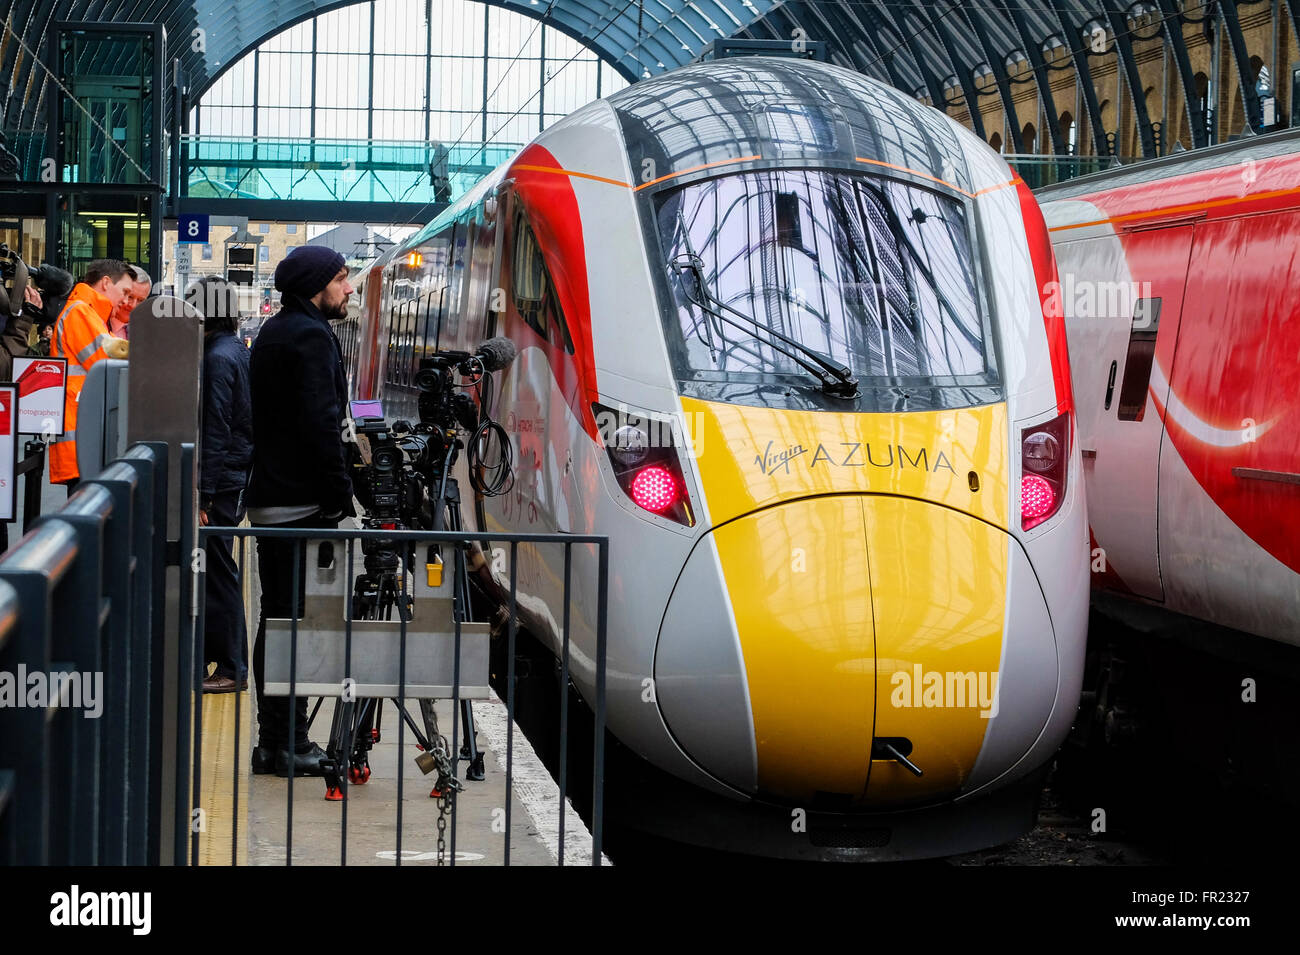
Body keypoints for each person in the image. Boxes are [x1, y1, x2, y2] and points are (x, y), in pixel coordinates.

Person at [246, 246, 355, 776]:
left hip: (272, 499)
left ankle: (274, 741)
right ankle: (288, 742)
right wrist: (342, 496)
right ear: (317, 284)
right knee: (293, 624)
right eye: (341, 279)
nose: (349, 289)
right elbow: (322, 426)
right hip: (299, 506)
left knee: (278, 618)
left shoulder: (275, 330)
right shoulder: (311, 337)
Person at [190, 277, 252, 694]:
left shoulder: (216, 357)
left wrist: (204, 493)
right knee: (215, 569)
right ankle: (220, 660)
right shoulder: (234, 349)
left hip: (223, 482)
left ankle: (231, 666)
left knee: (217, 572)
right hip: (234, 475)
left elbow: (216, 427)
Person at [49, 259, 132, 493]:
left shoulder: (87, 312)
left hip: (85, 433)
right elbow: (111, 360)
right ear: (106, 282)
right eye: (124, 292)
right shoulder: (81, 312)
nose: (125, 301)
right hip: (85, 436)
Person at [108, 264, 150, 339]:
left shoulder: (148, 331)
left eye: (140, 300)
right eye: (130, 297)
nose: (133, 305)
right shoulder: (97, 324)